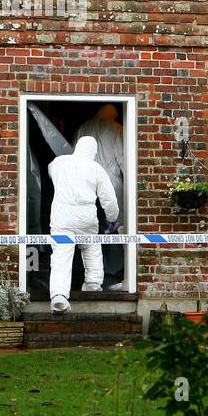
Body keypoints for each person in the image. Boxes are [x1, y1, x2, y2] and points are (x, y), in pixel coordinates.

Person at [47, 136, 119, 312]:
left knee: (61, 256)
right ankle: (93, 284)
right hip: (87, 217)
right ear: (93, 151)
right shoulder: (96, 168)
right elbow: (109, 199)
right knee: (91, 248)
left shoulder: (58, 163)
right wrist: (112, 218)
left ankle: (59, 297)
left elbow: (50, 171)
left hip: (62, 217)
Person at [75, 103, 126, 286]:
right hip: (111, 182)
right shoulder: (116, 128)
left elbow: (74, 155)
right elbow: (123, 158)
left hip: (86, 183)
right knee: (116, 226)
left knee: (90, 228)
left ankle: (91, 274)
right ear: (113, 115)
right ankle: (115, 271)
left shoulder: (83, 127)